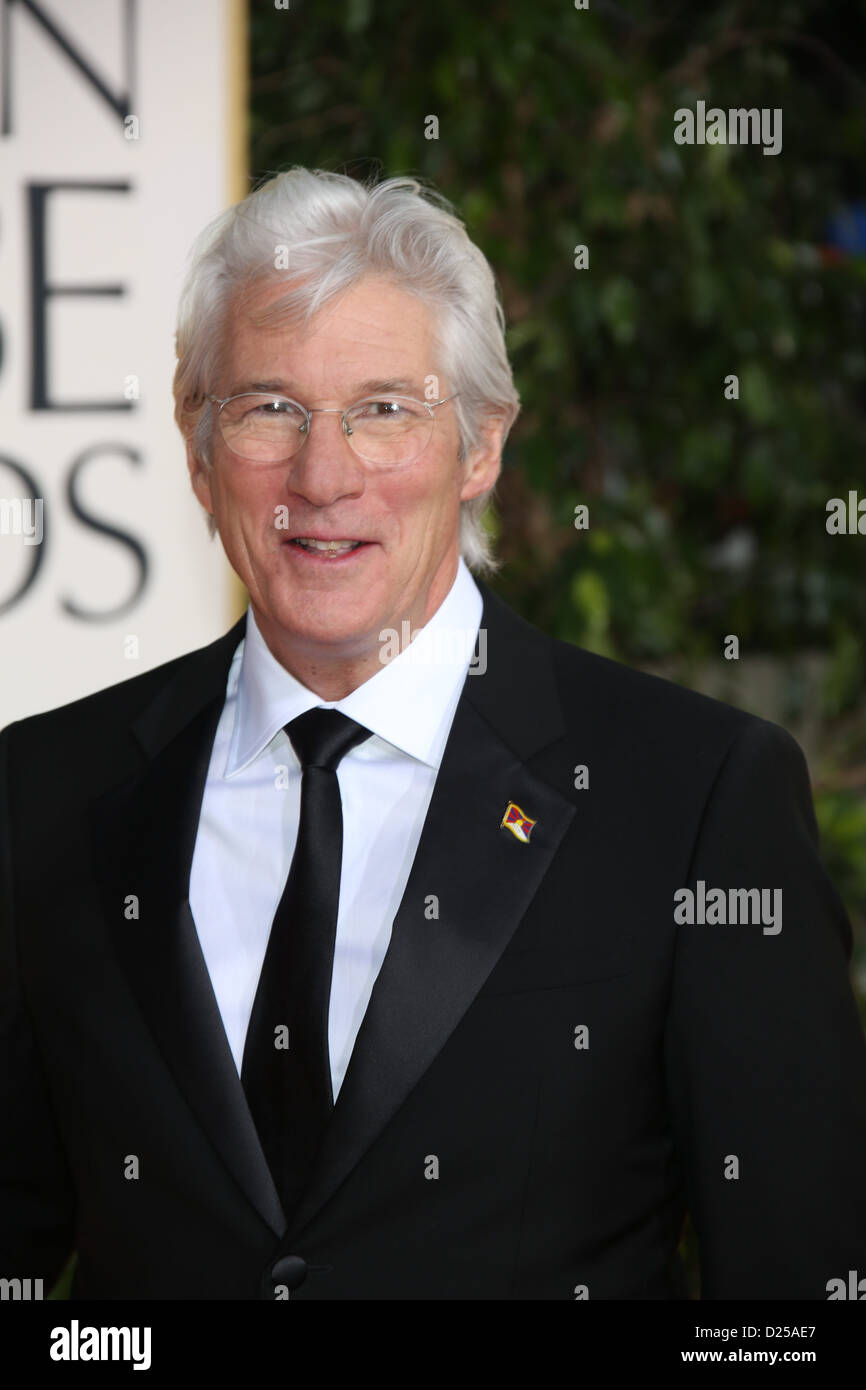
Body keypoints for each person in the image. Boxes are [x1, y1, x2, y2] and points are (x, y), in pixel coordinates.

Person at [1, 167, 865, 1301]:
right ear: (196, 444)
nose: (322, 475)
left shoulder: (693, 800)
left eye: (382, 410)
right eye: (269, 407)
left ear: (481, 445)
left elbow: (794, 1303)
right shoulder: (43, 792)